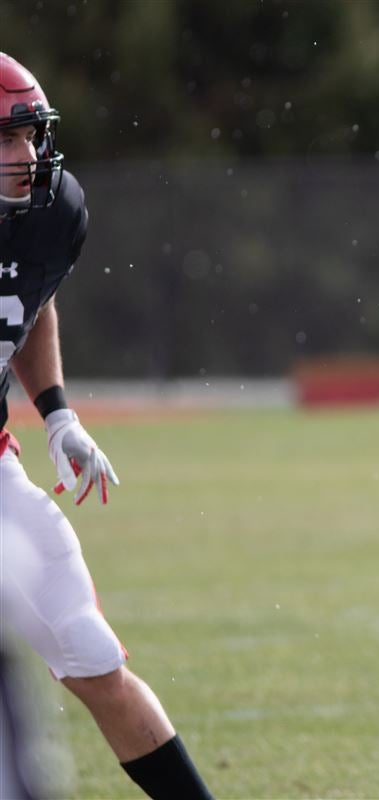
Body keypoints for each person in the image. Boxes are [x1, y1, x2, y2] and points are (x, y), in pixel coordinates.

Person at [0, 53, 213, 799]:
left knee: (91, 653)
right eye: (6, 139)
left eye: (30, 135)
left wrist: (57, 413)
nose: (27, 156)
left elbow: (32, 298)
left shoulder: (49, 213)